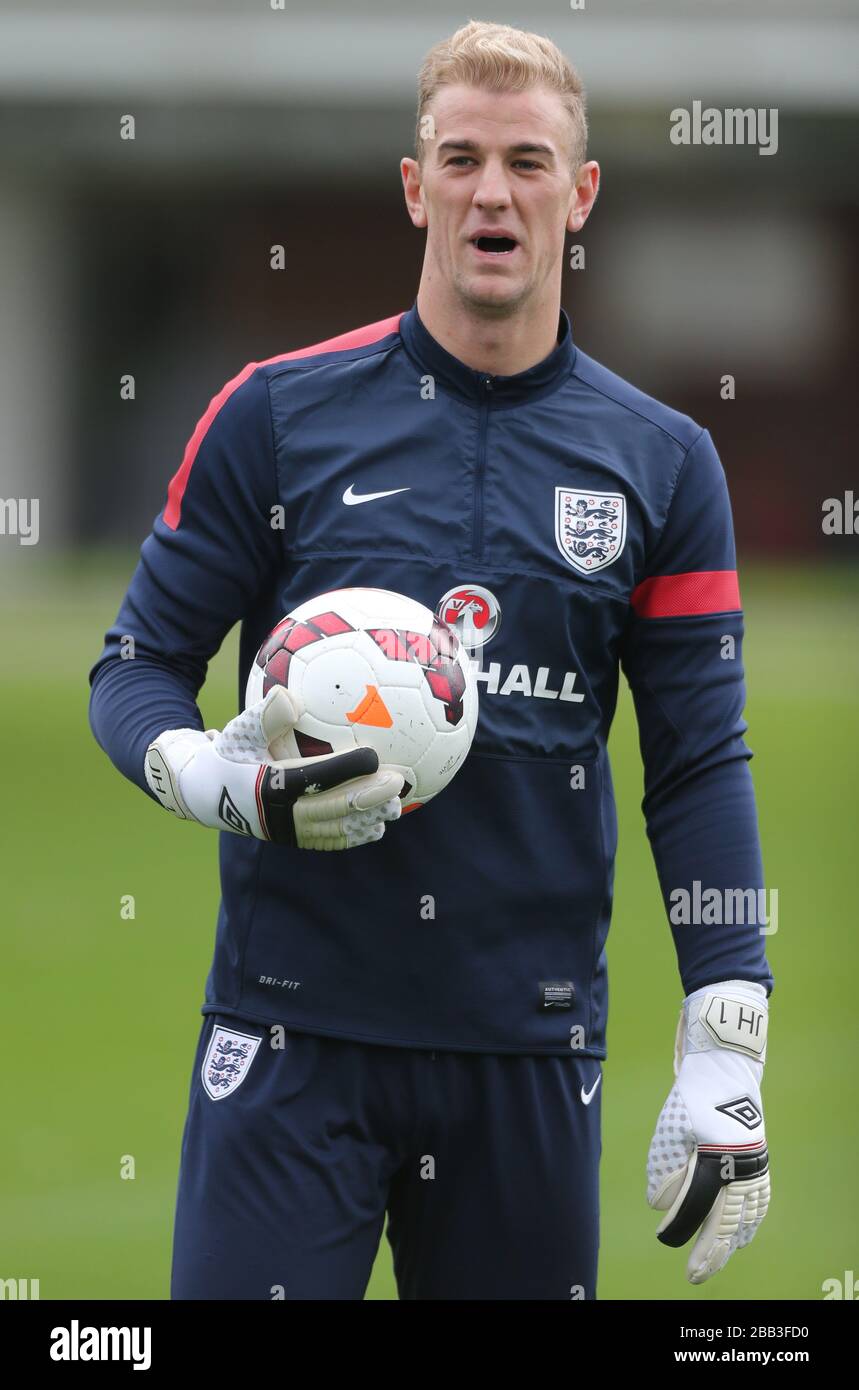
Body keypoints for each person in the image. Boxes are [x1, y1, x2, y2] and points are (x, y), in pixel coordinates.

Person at [88, 19, 773, 1300]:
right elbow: (133, 667)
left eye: (526, 161)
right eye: (459, 159)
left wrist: (726, 1032)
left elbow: (697, 765)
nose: (491, 192)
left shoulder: (665, 464)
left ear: (579, 195)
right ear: (416, 188)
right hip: (291, 1039)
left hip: (524, 1053)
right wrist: (214, 780)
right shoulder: (273, 416)